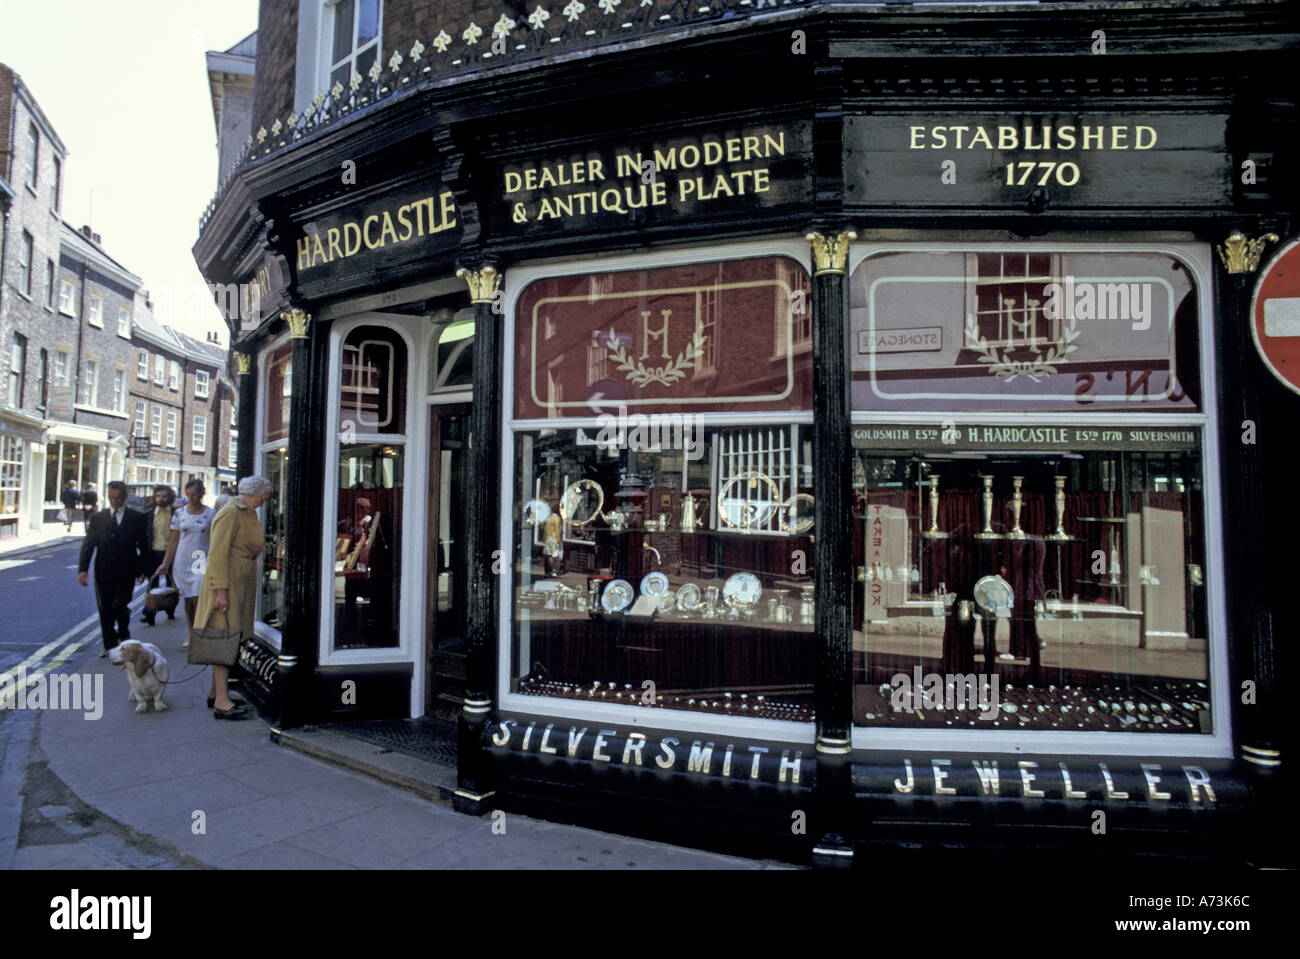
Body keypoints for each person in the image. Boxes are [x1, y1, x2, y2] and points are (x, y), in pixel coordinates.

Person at [194, 475, 272, 719]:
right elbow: (216, 555)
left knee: (230, 637)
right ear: (252, 493)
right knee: (223, 640)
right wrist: (221, 593)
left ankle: (216, 692)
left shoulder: (248, 511)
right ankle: (222, 702)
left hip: (239, 584)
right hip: (226, 585)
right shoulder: (231, 512)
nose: (263, 501)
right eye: (263, 497)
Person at [77, 480, 149, 656]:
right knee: (105, 608)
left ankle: (123, 636)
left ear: (124, 496)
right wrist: (82, 570)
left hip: (127, 570)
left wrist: (142, 569)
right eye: (111, 497)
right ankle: (109, 645)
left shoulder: (136, 518)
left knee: (122, 605)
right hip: (103, 570)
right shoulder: (97, 518)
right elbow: (88, 545)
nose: (114, 501)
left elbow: (144, 546)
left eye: (118, 498)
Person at [154, 479, 215, 648]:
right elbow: (174, 540)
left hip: (202, 560)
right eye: (188, 495)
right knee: (188, 599)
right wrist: (165, 563)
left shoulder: (211, 514)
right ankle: (191, 633)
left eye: (194, 494)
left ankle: (201, 631)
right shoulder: (179, 514)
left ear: (202, 494)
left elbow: (215, 540)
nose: (190, 498)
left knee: (198, 596)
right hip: (183, 560)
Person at [141, 485, 178, 625]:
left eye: (164, 496)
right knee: (152, 585)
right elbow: (144, 538)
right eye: (158, 496)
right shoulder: (149, 514)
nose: (161, 499)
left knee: (171, 584)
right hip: (153, 553)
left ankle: (170, 609)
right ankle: (150, 614)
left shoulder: (176, 513)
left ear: (170, 497)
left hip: (170, 554)